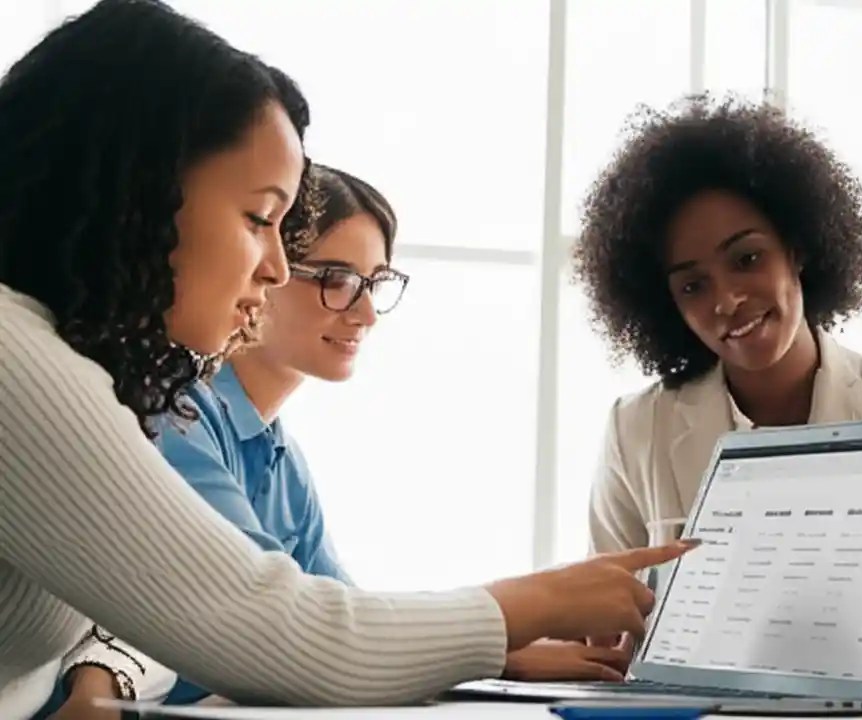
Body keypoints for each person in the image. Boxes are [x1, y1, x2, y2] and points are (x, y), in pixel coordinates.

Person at [0, 2, 691, 718]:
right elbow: (265, 626)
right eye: (260, 218)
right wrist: (533, 601)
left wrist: (498, 634)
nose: (272, 268)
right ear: (138, 191)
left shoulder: (76, 369)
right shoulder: (14, 361)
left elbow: (195, 606)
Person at [47, 163, 638, 715]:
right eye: (335, 279)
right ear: (264, 264)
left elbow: (348, 627)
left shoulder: (279, 456)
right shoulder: (176, 416)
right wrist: (521, 610)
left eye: (374, 283)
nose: (365, 313)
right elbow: (284, 631)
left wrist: (501, 648)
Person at [572, 95, 862, 665]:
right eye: (692, 286)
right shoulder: (637, 429)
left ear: (798, 248)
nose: (727, 300)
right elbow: (598, 625)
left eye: (748, 259)